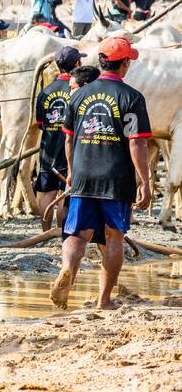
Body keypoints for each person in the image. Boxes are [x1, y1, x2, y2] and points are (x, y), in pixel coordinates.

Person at [50, 37, 152, 311]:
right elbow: (137, 142)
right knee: (114, 236)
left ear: (101, 61)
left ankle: (68, 268)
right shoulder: (131, 97)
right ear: (126, 63)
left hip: (83, 174)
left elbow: (69, 140)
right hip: (116, 177)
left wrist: (71, 173)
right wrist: (145, 181)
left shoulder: (79, 95)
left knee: (77, 233)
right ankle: (104, 300)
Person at [32, 46, 84, 219]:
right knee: (65, 193)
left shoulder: (45, 92)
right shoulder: (78, 91)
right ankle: (61, 233)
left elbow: (40, 124)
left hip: (48, 150)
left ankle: (45, 233)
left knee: (47, 193)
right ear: (78, 63)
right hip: (70, 150)